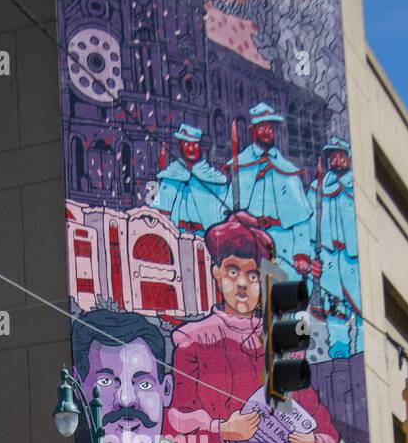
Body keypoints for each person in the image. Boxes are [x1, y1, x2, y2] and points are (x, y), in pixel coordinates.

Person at [167, 212, 340, 443]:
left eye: (253, 274)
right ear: (217, 273)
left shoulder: (281, 348)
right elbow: (174, 427)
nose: (243, 284)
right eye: (233, 271)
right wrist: (221, 430)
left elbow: (328, 437)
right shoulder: (193, 339)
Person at [71, 308, 201, 443]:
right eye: (106, 381)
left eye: (144, 384)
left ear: (166, 389)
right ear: (78, 388)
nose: (126, 400)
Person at [229, 103, 312, 273]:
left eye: (270, 127)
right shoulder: (241, 165)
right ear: (253, 130)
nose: (267, 131)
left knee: (279, 297)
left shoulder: (287, 169)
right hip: (250, 243)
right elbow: (228, 212)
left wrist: (301, 253)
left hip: (283, 248)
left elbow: (301, 219)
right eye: (262, 127)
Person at [309, 138, 362, 358]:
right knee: (333, 312)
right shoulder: (319, 188)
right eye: (333, 156)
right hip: (330, 258)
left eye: (340, 155)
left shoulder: (357, 186)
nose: (336, 160)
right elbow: (311, 226)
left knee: (359, 310)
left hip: (352, 260)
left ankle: (359, 352)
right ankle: (338, 354)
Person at [155, 124, 230, 234]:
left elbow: (224, 213)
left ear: (200, 147)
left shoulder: (213, 180)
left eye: (195, 144)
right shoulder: (170, 177)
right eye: (186, 143)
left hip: (204, 237)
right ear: (180, 146)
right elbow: (159, 210)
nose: (191, 149)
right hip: (175, 236)